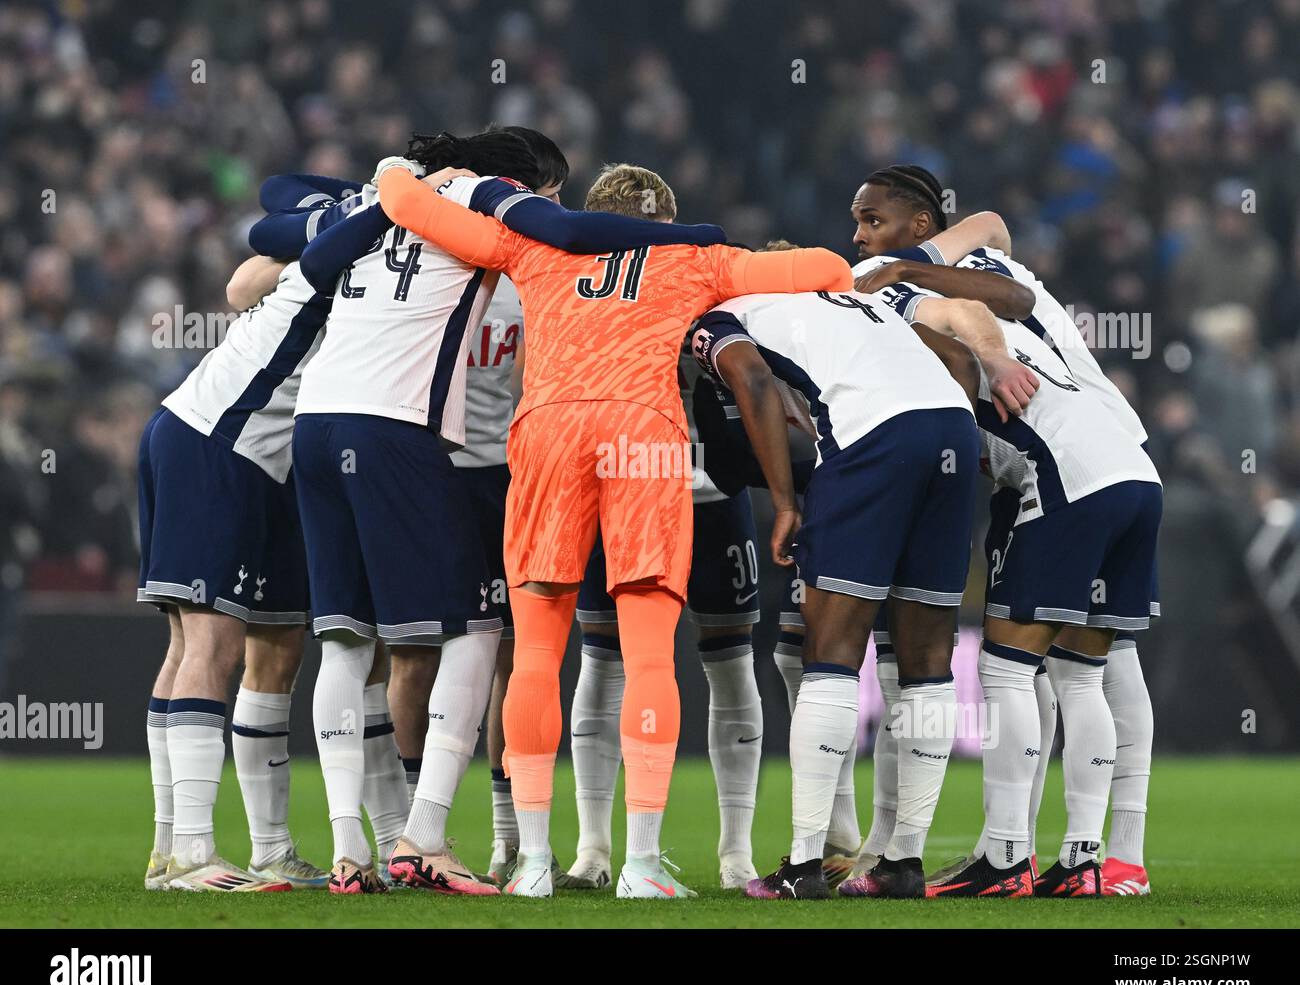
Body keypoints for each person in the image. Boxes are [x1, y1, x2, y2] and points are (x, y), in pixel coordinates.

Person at [377, 160, 853, 898]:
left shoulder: (532, 245)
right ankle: (641, 865)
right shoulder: (691, 259)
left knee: (535, 652)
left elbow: (408, 206)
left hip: (546, 432)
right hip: (643, 436)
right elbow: (827, 267)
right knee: (649, 653)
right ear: (662, 215)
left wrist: (397, 172)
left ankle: (534, 862)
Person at [852, 170, 1157, 896]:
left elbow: (966, 319)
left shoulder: (883, 284)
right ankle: (1095, 858)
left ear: (917, 224)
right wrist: (911, 258)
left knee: (1005, 669)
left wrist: (984, 357)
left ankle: (1006, 856)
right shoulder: (984, 259)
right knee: (1091, 672)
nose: (858, 238)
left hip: (1060, 468)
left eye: (870, 221)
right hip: (1128, 456)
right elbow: (989, 224)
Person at [691, 274, 1032, 899]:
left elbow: (754, 381)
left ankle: (803, 866)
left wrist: (789, 502)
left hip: (871, 440)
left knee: (832, 656)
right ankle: (902, 864)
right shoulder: (854, 302)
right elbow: (958, 358)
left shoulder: (716, 316)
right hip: (953, 431)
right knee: (929, 662)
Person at [136, 183, 397, 893]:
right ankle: (188, 849)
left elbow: (250, 270)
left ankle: (258, 849)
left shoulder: (376, 244)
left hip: (269, 458)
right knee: (207, 645)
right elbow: (246, 267)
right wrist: (348, 213)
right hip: (216, 439)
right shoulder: (365, 240)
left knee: (274, 651)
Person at [561, 348, 767, 891]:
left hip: (712, 495)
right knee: (603, 660)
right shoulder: (610, 281)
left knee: (730, 662)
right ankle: (593, 849)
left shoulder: (716, 287)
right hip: (623, 488)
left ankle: (736, 855)